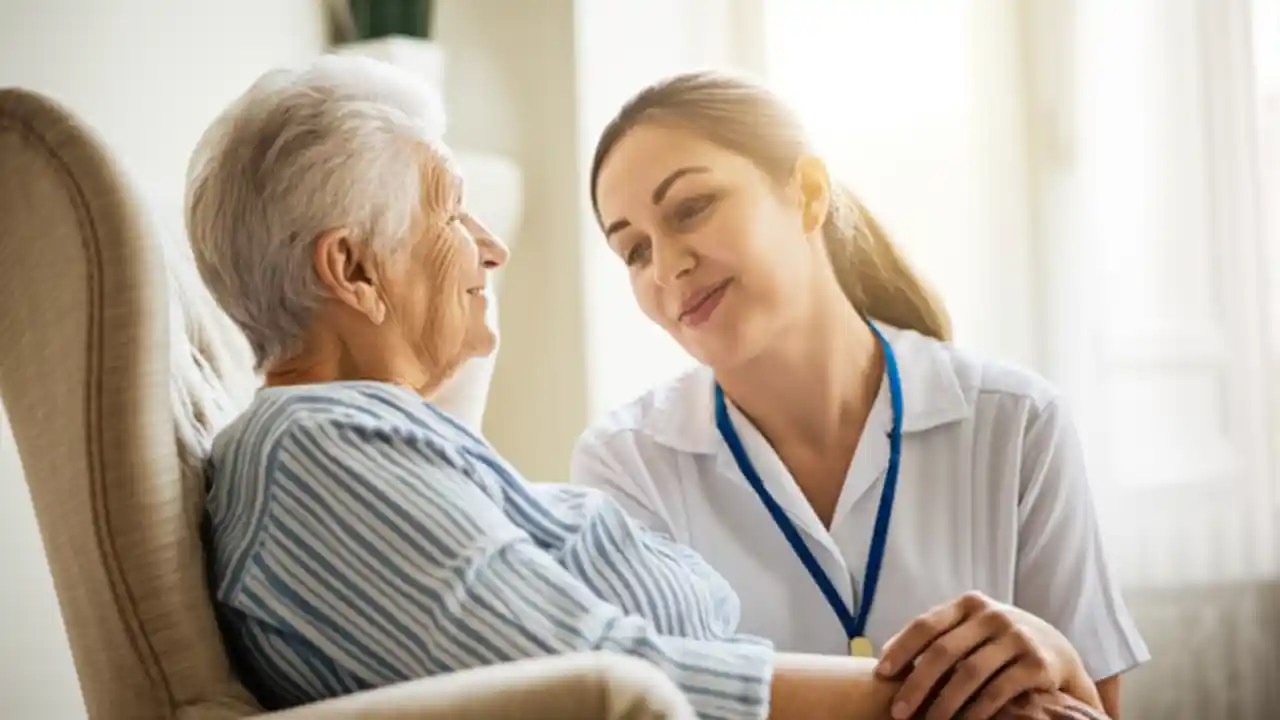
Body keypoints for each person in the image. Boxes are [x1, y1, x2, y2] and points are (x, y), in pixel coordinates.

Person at [189, 54, 935, 720]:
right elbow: (592, 676)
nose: (494, 246)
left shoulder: (373, 443)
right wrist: (932, 699)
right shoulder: (314, 452)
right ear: (352, 271)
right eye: (452, 211)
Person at [572, 71, 1150, 720]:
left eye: (691, 208)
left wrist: (1060, 657)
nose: (666, 266)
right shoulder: (627, 467)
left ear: (809, 193)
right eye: (634, 250)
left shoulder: (1016, 422)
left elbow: (1094, 711)